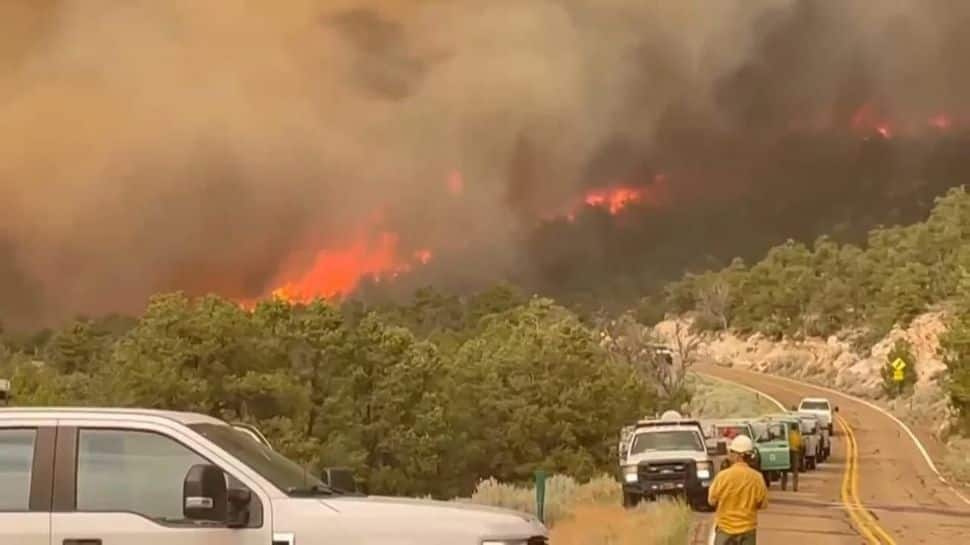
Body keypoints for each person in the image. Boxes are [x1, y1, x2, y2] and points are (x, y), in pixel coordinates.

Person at [708, 435, 768, 545]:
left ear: (737, 456)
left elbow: (712, 500)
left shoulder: (722, 476)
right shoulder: (757, 478)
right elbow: (762, 504)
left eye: (731, 452)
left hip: (725, 530)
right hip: (748, 530)